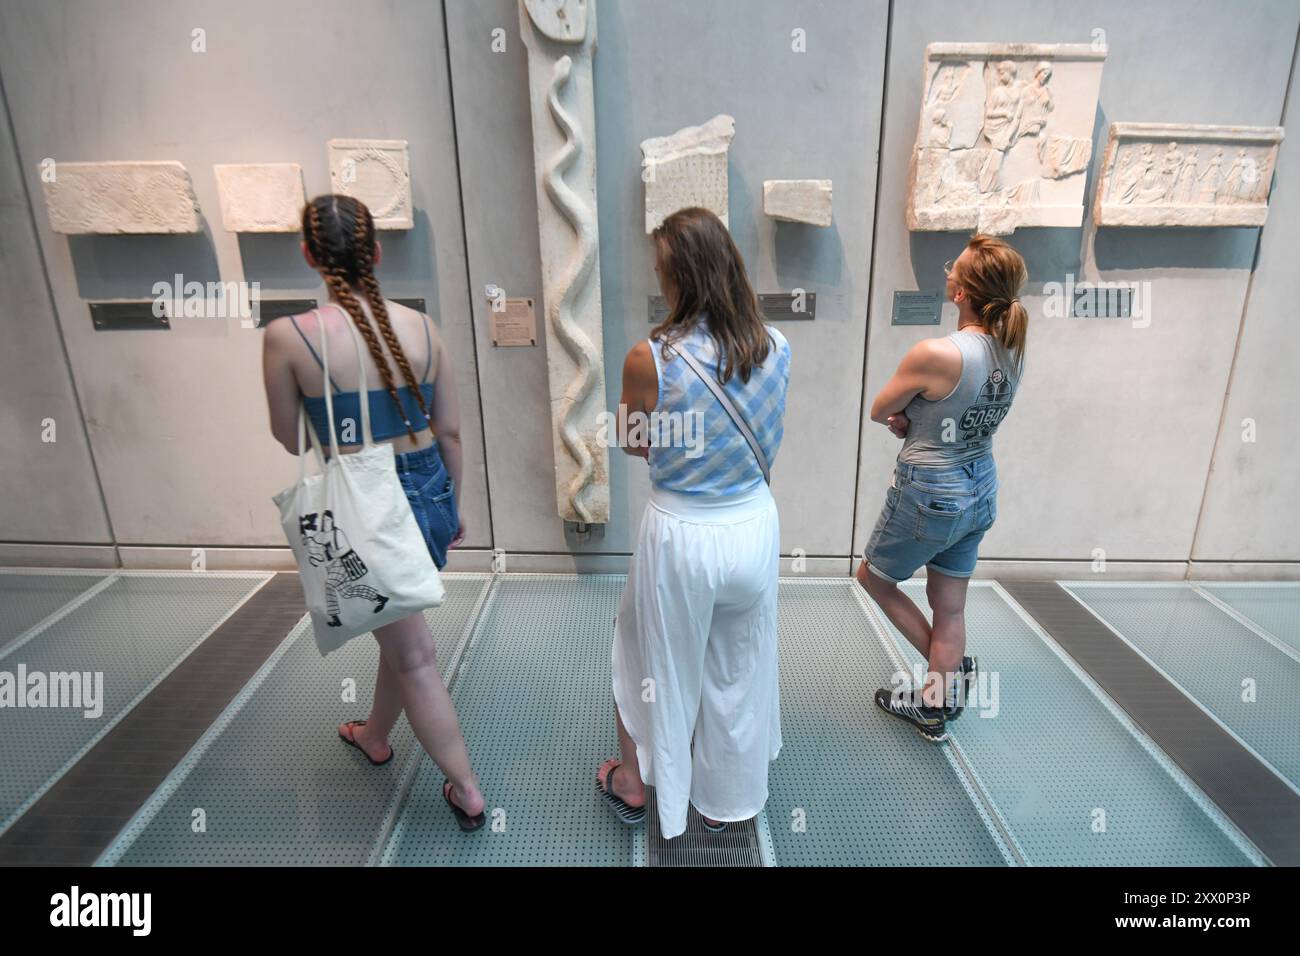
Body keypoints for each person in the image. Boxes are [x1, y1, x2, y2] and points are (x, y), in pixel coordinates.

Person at [261, 194, 486, 831]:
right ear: (377, 253)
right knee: (401, 627)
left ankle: (467, 789)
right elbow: (451, 435)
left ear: (308, 255)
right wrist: (455, 507)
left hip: (365, 505)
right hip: (430, 492)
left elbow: (290, 438)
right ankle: (375, 735)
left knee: (414, 654)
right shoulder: (422, 328)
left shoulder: (289, 336)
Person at [597, 207, 791, 838]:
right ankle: (724, 802)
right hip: (753, 528)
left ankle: (637, 783)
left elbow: (632, 441)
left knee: (649, 661)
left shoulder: (648, 358)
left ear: (680, 277)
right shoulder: (776, 346)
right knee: (737, 666)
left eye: (662, 272)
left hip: (682, 536)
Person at [858, 234, 1027, 742]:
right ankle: (941, 691)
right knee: (949, 604)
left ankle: (941, 691)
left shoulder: (936, 353)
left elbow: (880, 408)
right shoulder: (1012, 350)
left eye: (955, 268)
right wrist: (920, 418)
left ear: (961, 293)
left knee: (874, 579)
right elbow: (960, 411)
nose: (947, 272)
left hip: (930, 491)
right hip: (979, 488)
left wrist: (907, 418)